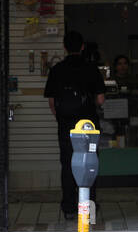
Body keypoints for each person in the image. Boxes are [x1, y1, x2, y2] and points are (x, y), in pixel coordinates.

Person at [44, 30, 106, 218]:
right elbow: (101, 99)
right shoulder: (91, 69)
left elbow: (52, 103)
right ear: (82, 46)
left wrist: (62, 117)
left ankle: (70, 207)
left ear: (64, 47)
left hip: (66, 126)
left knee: (68, 163)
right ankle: (89, 208)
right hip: (89, 127)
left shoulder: (56, 70)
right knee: (90, 163)